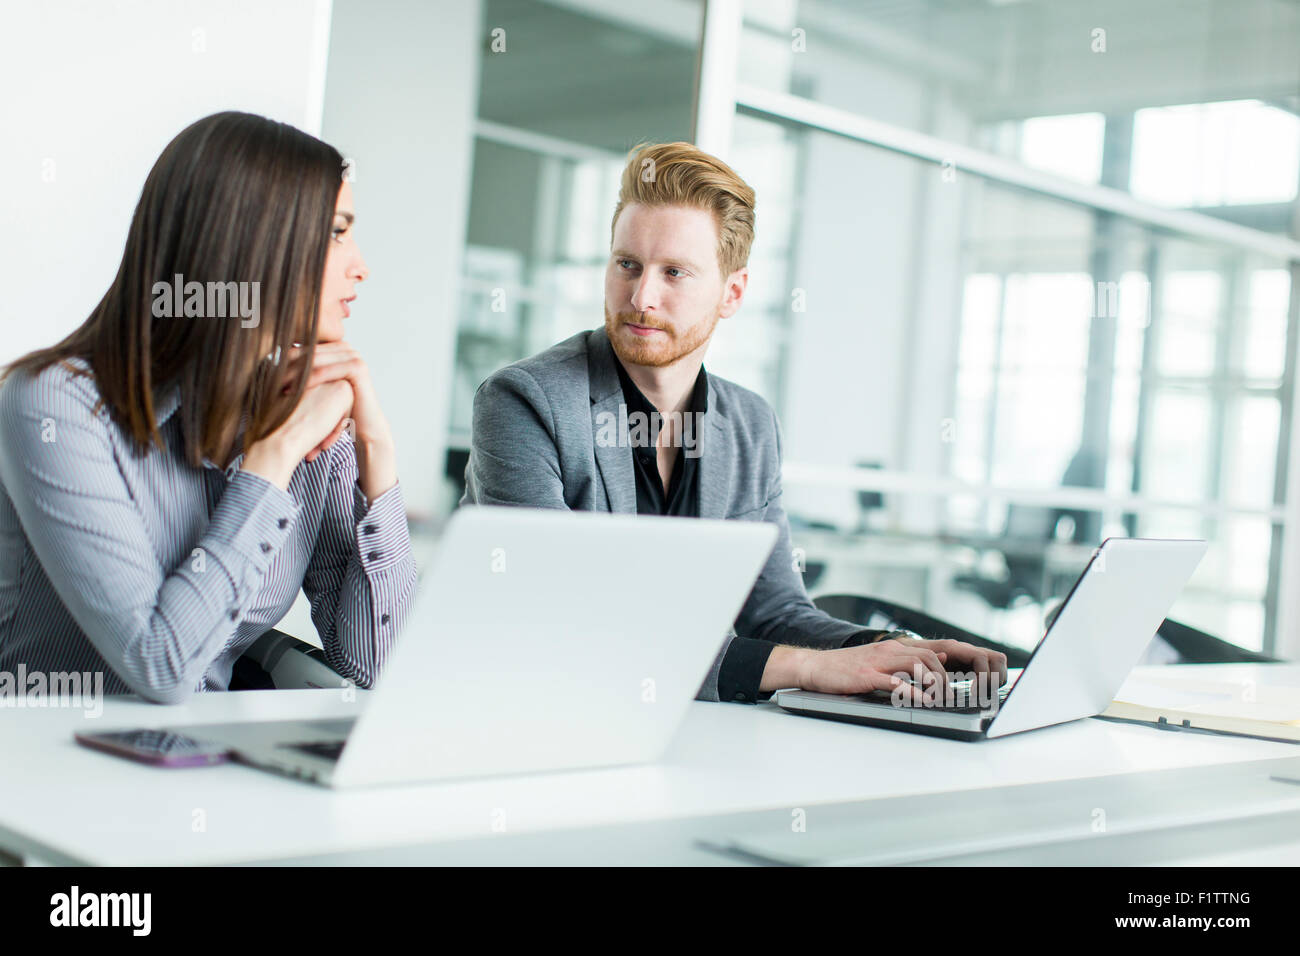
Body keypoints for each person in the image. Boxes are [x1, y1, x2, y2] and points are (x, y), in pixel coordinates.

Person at [462, 141, 1007, 704]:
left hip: (682, 733)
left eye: (675, 272)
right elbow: (565, 615)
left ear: (732, 293)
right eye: (628, 265)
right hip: (531, 716)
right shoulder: (524, 402)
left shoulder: (749, 425)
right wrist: (810, 670)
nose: (642, 296)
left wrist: (888, 650)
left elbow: (773, 611)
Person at [0, 111, 417, 704]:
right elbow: (159, 666)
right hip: (44, 766)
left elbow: (382, 671)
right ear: (255, 245)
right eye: (336, 233)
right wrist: (269, 465)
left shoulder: (308, 418)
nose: (361, 265)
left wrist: (378, 463)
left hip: (199, 769)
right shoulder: (55, 406)